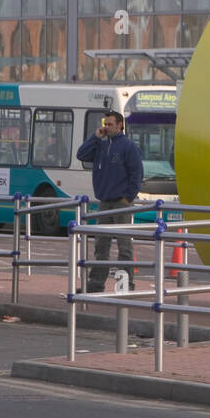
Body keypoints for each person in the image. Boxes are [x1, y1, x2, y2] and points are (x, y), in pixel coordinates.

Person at [76, 110, 144, 293]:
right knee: (101, 245)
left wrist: (128, 197)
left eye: (110, 124)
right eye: (105, 124)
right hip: (104, 201)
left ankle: (126, 284)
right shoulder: (100, 145)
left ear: (120, 125)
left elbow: (136, 174)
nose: (106, 127)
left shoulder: (129, 147)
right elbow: (81, 155)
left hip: (121, 202)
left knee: (124, 246)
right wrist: (95, 137)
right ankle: (96, 283)